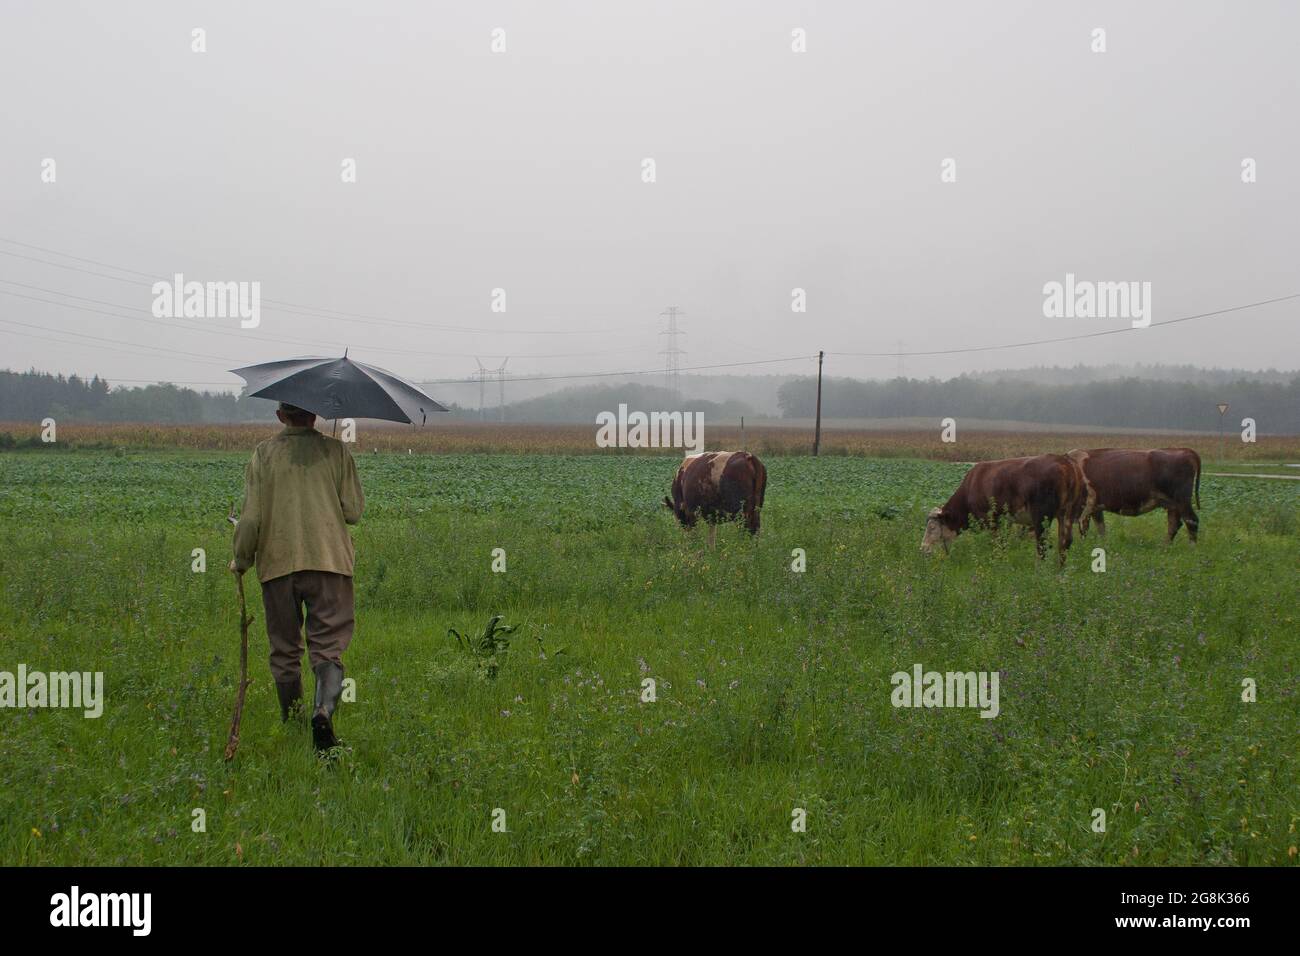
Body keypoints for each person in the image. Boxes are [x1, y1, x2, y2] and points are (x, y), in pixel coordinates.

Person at [230, 402, 364, 753]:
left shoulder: (264, 455)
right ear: (315, 415)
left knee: (285, 649)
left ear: (280, 416)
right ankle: (323, 712)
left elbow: (250, 520)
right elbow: (353, 513)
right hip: (329, 562)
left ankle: (293, 723)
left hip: (278, 564)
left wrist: (241, 559)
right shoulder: (336, 451)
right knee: (328, 646)